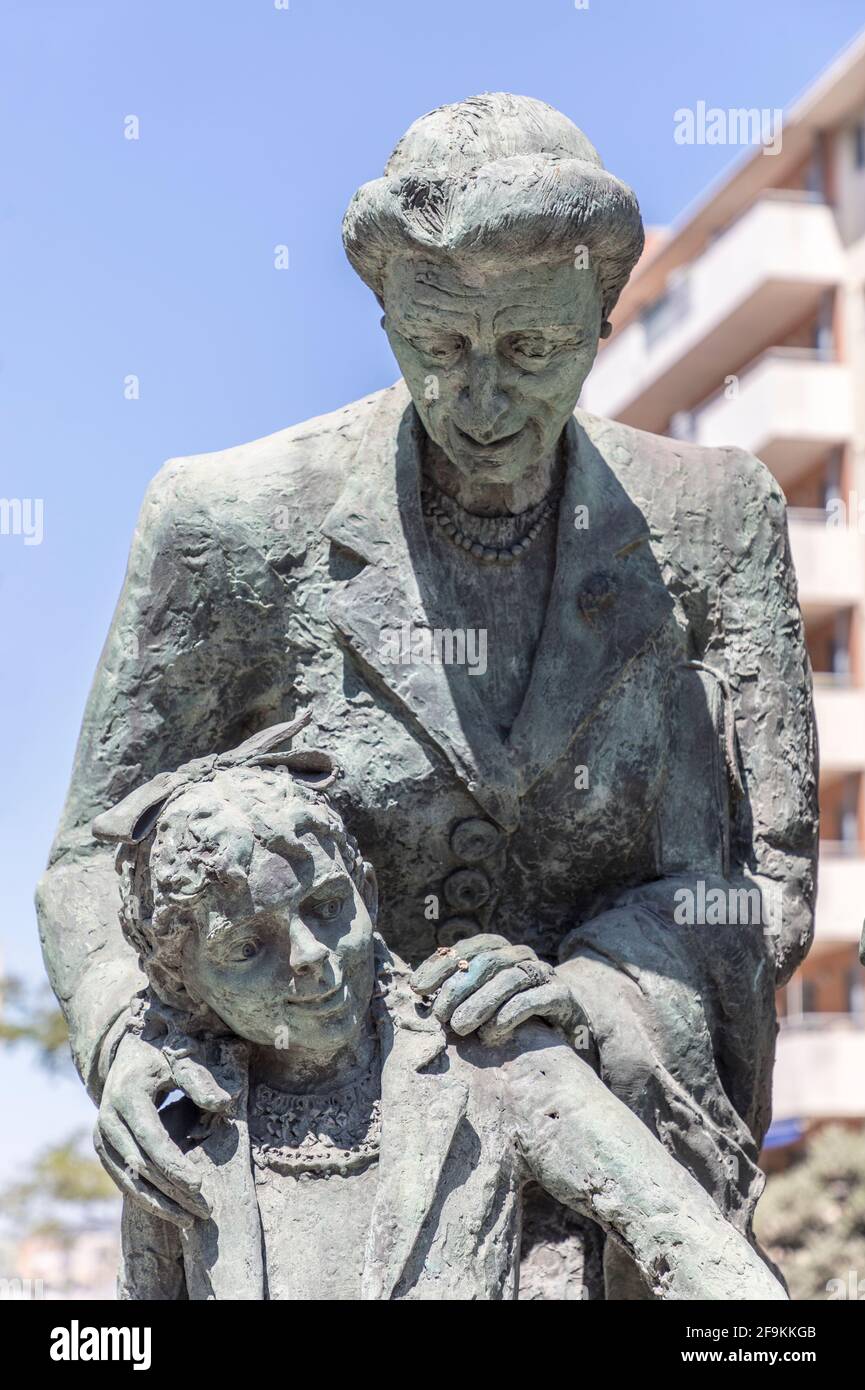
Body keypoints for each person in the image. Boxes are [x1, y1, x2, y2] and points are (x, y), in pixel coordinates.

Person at [38, 94, 817, 1294]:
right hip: (317, 1178)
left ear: (600, 320)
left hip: (611, 1164)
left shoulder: (711, 521)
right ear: (386, 315)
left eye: (532, 350)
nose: (483, 400)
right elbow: (96, 853)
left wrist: (594, 991)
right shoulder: (228, 522)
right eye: (438, 347)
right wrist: (122, 1038)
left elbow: (765, 877)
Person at [98, 724, 786, 1301]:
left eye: (328, 906)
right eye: (247, 947)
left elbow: (696, 1252)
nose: (309, 955)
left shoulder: (497, 1064)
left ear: (368, 891)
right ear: (183, 981)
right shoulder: (177, 1135)